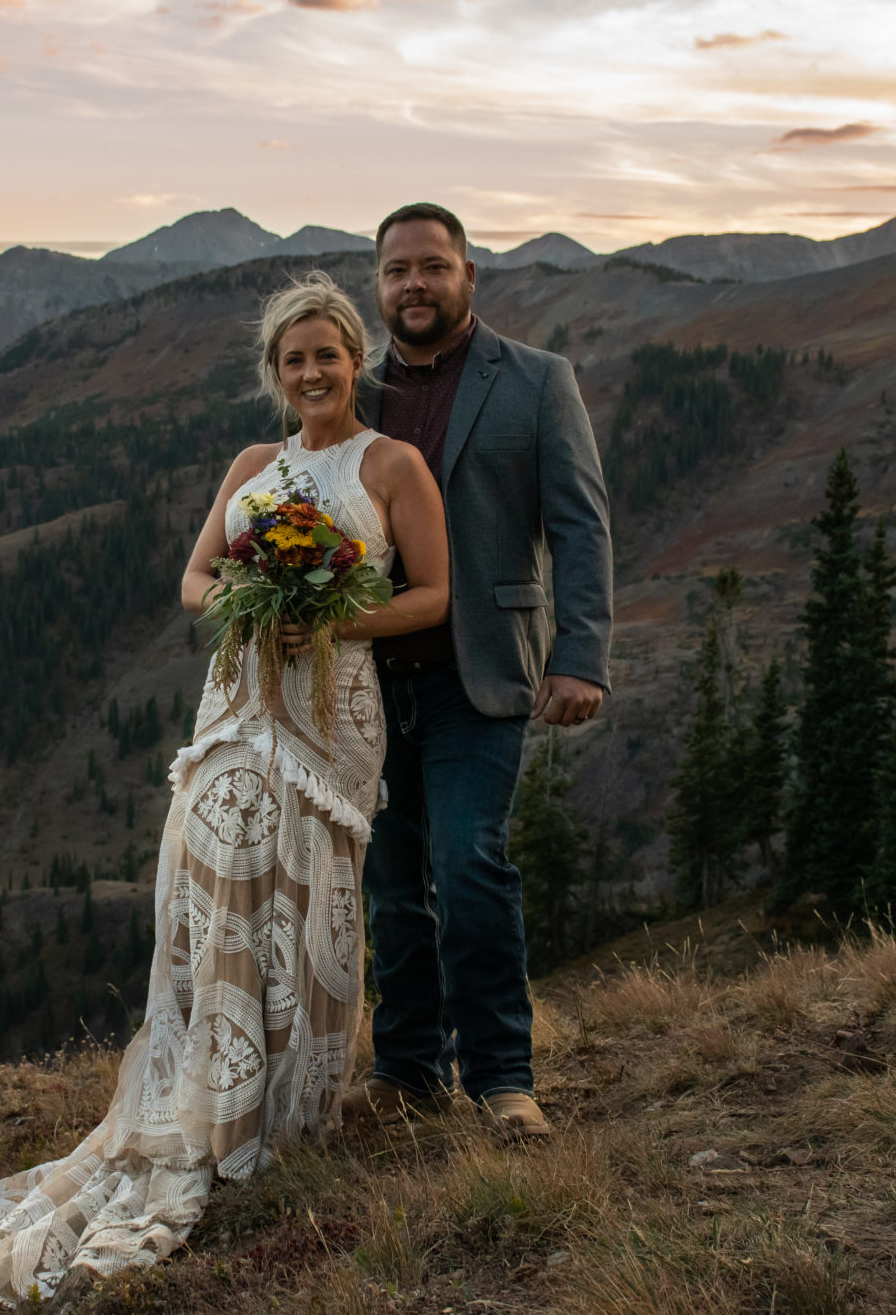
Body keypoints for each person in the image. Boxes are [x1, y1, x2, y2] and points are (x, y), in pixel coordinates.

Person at [0, 271, 448, 1313]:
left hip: (331, 712)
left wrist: (332, 619)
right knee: (215, 886)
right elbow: (192, 582)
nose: (310, 372)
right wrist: (255, 596)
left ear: (356, 360)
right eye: (291, 359)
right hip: (234, 702)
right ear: (274, 373)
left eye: (327, 354)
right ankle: (209, 1102)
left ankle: (287, 1111)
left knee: (304, 894)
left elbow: (430, 595)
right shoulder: (252, 464)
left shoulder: (392, 464)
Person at [343, 202, 613, 1141]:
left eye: (432, 266)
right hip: (365, 682)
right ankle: (407, 1068)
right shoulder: (355, 392)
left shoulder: (537, 382)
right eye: (395, 272)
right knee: (390, 884)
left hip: (481, 678)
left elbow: (579, 525)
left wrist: (582, 656)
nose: (413, 284)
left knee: (469, 867)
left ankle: (503, 1079)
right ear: (377, 287)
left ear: (469, 275)